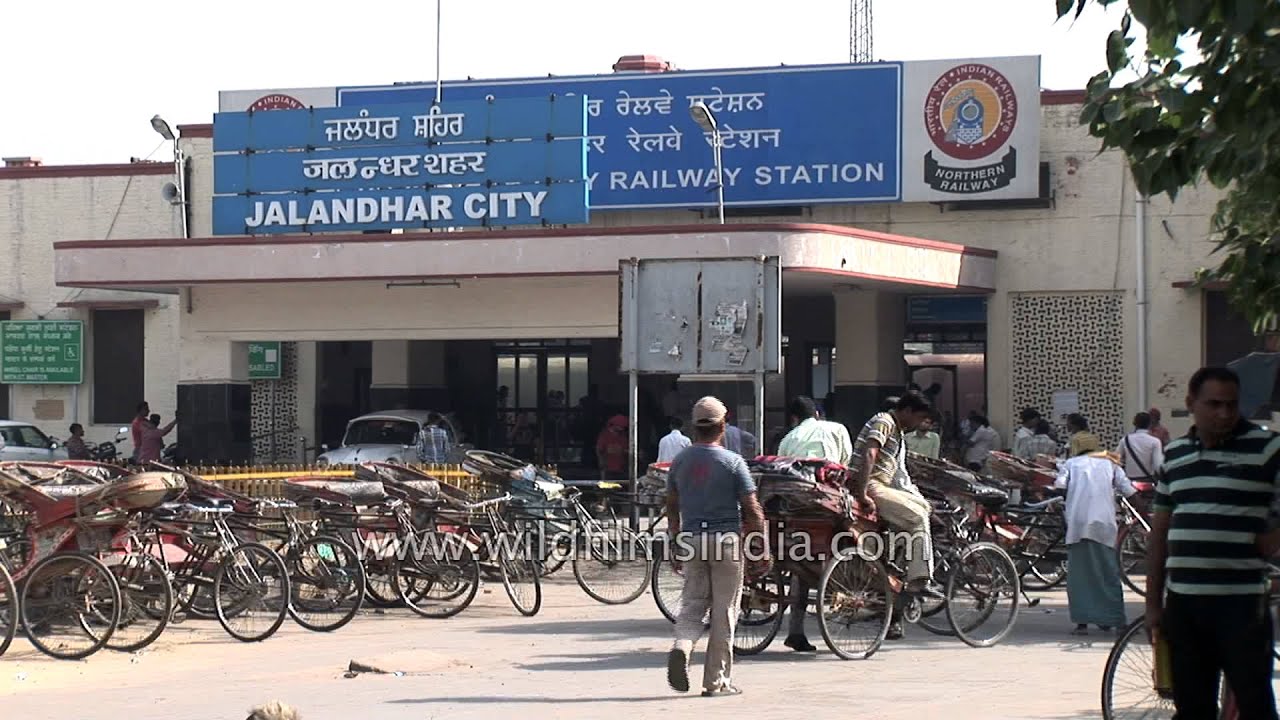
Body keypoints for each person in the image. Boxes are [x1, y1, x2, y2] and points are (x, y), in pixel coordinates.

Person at [1147, 367, 1280, 719]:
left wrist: (1276, 533)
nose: (1224, 414)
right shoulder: (1174, 456)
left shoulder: (1267, 448)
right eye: (1214, 404)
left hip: (1241, 606)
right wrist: (1153, 605)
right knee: (1192, 707)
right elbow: (1159, 533)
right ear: (1192, 403)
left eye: (1231, 405)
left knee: (1256, 705)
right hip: (1184, 605)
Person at [665, 396, 767, 698]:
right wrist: (761, 545)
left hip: (693, 540)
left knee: (693, 605)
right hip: (726, 542)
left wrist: (675, 541)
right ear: (723, 425)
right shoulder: (733, 462)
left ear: (694, 427)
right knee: (724, 611)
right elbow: (752, 508)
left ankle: (682, 647)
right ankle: (716, 681)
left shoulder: (679, 462)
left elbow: (671, 506)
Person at [848, 393, 943, 633]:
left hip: (880, 484)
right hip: (872, 485)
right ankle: (920, 579)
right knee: (917, 517)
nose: (918, 424)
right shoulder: (885, 422)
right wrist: (862, 494)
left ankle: (903, 576)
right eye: (919, 418)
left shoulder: (897, 432)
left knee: (923, 509)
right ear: (907, 410)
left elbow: (900, 476)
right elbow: (870, 454)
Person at [776, 395, 853, 652]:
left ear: (794, 419)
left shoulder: (789, 438)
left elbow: (781, 471)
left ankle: (795, 630)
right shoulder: (836, 429)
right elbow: (845, 463)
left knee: (800, 563)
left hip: (795, 512)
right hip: (829, 508)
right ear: (817, 414)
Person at [1054, 445, 1137, 636]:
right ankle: (1117, 620)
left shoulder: (1071, 463)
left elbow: (1059, 487)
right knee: (1107, 573)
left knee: (1079, 576)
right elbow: (1130, 492)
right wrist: (1147, 519)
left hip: (1077, 524)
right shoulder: (1111, 465)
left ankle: (1082, 622)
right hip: (1103, 525)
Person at [1116, 411, 1163, 498]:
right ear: (1150, 424)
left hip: (1129, 483)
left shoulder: (1125, 440)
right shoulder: (1155, 442)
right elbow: (1158, 466)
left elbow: (1115, 460)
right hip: (1148, 483)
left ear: (1134, 423)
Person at [596, 415, 629, 481]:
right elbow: (599, 450)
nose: (622, 429)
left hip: (621, 469)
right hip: (608, 469)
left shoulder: (623, 436)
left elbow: (626, 449)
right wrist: (601, 463)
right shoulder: (604, 435)